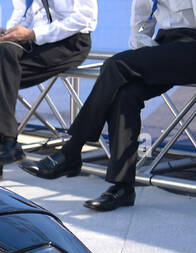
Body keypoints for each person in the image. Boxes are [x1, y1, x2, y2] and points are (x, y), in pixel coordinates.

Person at [22, 0, 196, 210]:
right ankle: (122, 186)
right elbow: (142, 21)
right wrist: (144, 49)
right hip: (166, 47)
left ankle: (72, 150)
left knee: (115, 65)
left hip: (191, 47)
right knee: (125, 94)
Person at [0, 0, 98, 181]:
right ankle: (4, 147)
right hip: (40, 41)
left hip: (71, 43)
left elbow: (84, 18)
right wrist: (9, 32)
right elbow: (24, 12)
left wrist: (32, 33)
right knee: (2, 55)